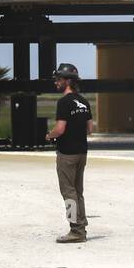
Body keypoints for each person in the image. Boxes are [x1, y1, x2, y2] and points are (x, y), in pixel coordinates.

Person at [46, 63, 93, 243]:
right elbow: (90, 129)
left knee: (68, 192)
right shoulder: (84, 101)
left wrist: (49, 135)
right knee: (77, 191)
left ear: (68, 81)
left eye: (58, 79)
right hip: (82, 152)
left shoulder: (64, 102)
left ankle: (76, 230)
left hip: (67, 154)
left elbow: (60, 129)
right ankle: (82, 225)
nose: (56, 82)